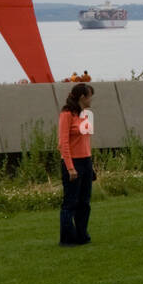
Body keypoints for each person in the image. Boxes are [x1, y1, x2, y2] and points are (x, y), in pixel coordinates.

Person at [58, 83, 97, 245]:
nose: (91, 99)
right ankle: (67, 238)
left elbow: (86, 140)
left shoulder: (86, 114)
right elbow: (63, 142)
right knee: (70, 202)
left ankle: (82, 234)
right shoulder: (67, 114)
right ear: (82, 97)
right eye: (89, 96)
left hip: (85, 161)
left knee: (84, 202)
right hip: (73, 162)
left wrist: (90, 165)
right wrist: (70, 167)